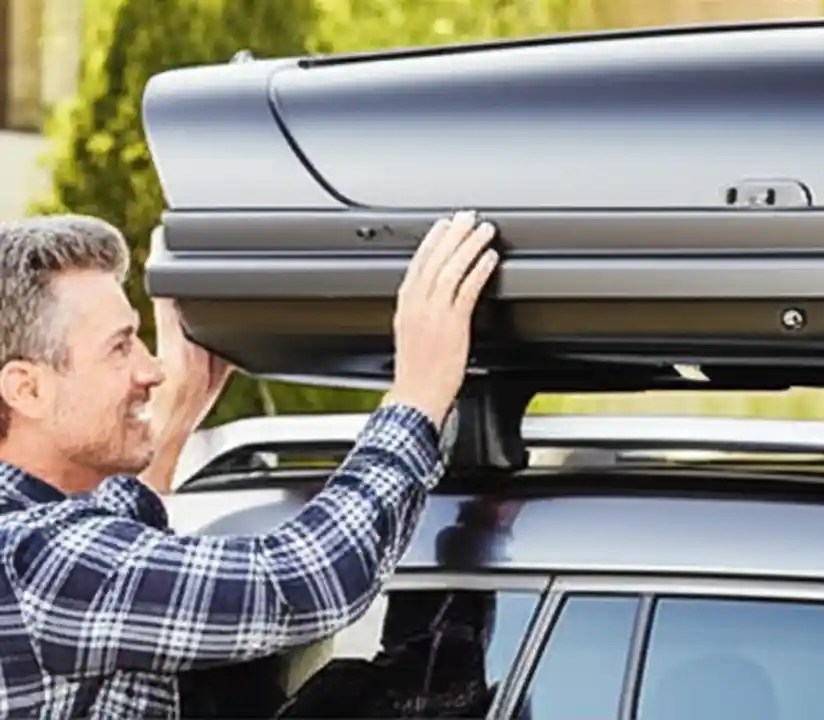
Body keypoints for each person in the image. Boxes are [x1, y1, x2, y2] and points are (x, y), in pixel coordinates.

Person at [0, 210, 498, 718]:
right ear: (27, 389)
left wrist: (169, 422)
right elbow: (309, 578)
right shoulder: (37, 565)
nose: (151, 370)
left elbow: (117, 550)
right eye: (120, 347)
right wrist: (418, 395)